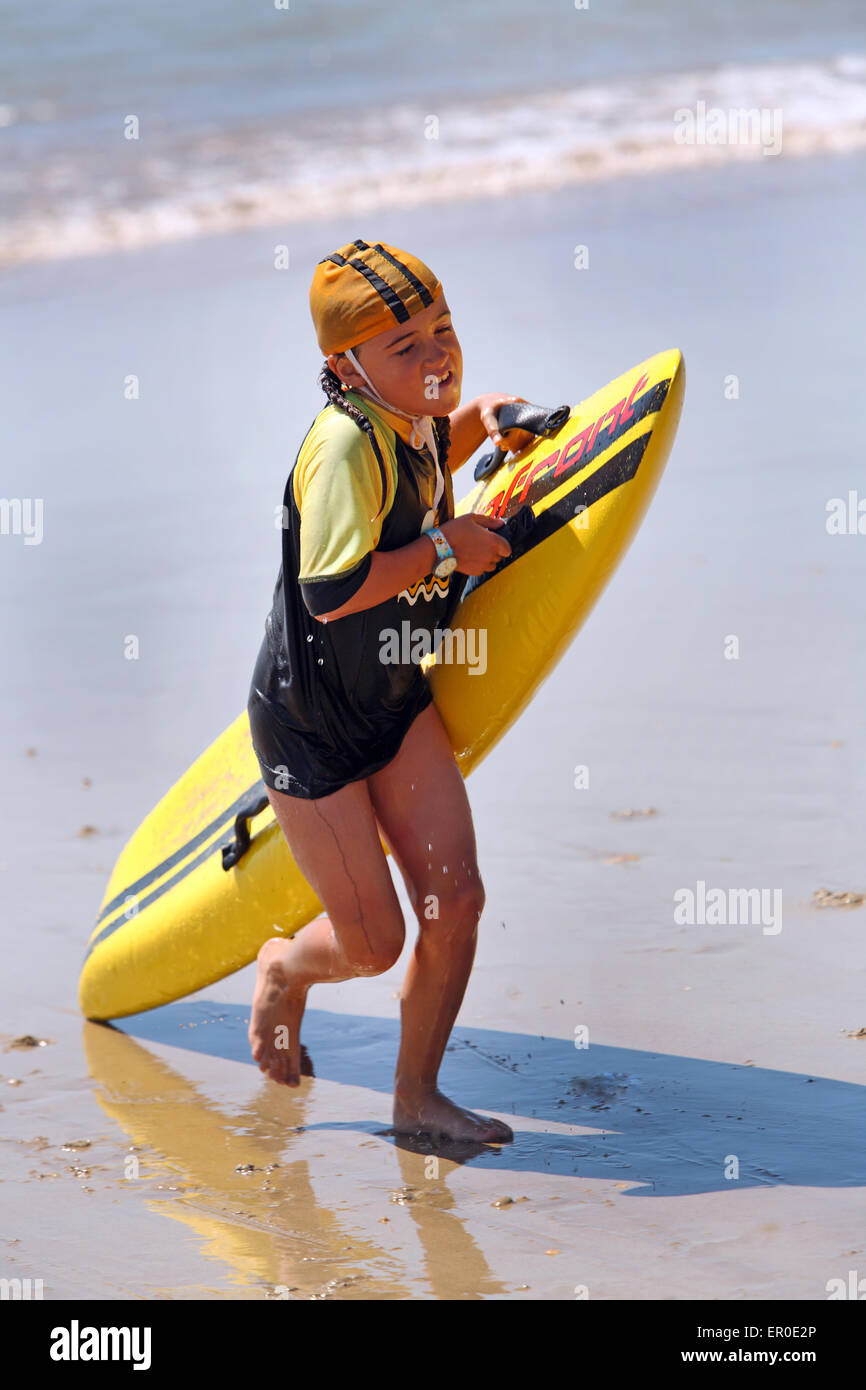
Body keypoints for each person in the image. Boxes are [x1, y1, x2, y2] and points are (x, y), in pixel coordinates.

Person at [246, 238, 533, 1143]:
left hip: (395, 692)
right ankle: (287, 971)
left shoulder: (401, 417)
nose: (435, 355)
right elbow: (331, 592)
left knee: (459, 899)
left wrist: (483, 417)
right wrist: (452, 547)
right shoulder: (340, 445)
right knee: (373, 947)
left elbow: (421, 463)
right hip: (312, 725)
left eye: (442, 330)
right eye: (404, 346)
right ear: (346, 365)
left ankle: (416, 1098)